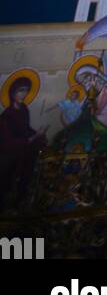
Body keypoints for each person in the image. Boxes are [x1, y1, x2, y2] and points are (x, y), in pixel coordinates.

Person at [0, 76, 46, 207]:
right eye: (21, 90)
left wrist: (37, 134)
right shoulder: (6, 116)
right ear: (13, 92)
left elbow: (26, 128)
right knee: (8, 180)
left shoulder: (24, 109)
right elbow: (6, 141)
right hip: (10, 154)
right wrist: (31, 138)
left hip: (24, 150)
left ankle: (22, 199)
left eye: (26, 90)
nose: (24, 94)